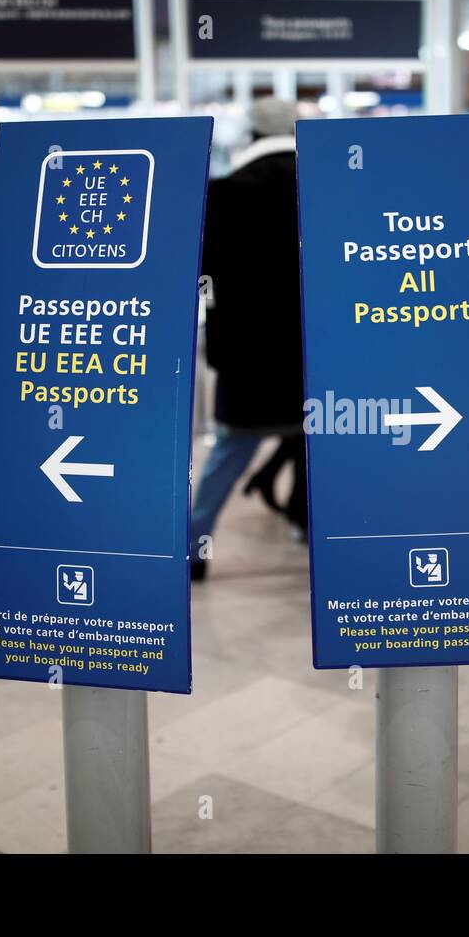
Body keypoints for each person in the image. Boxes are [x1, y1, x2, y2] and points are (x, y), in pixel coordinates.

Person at [189, 98, 306, 580]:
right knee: (322, 444)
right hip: (312, 349)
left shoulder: (223, 194)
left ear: (252, 137)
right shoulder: (321, 185)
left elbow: (204, 272)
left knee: (230, 448)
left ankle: (195, 546)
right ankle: (320, 532)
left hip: (245, 351)